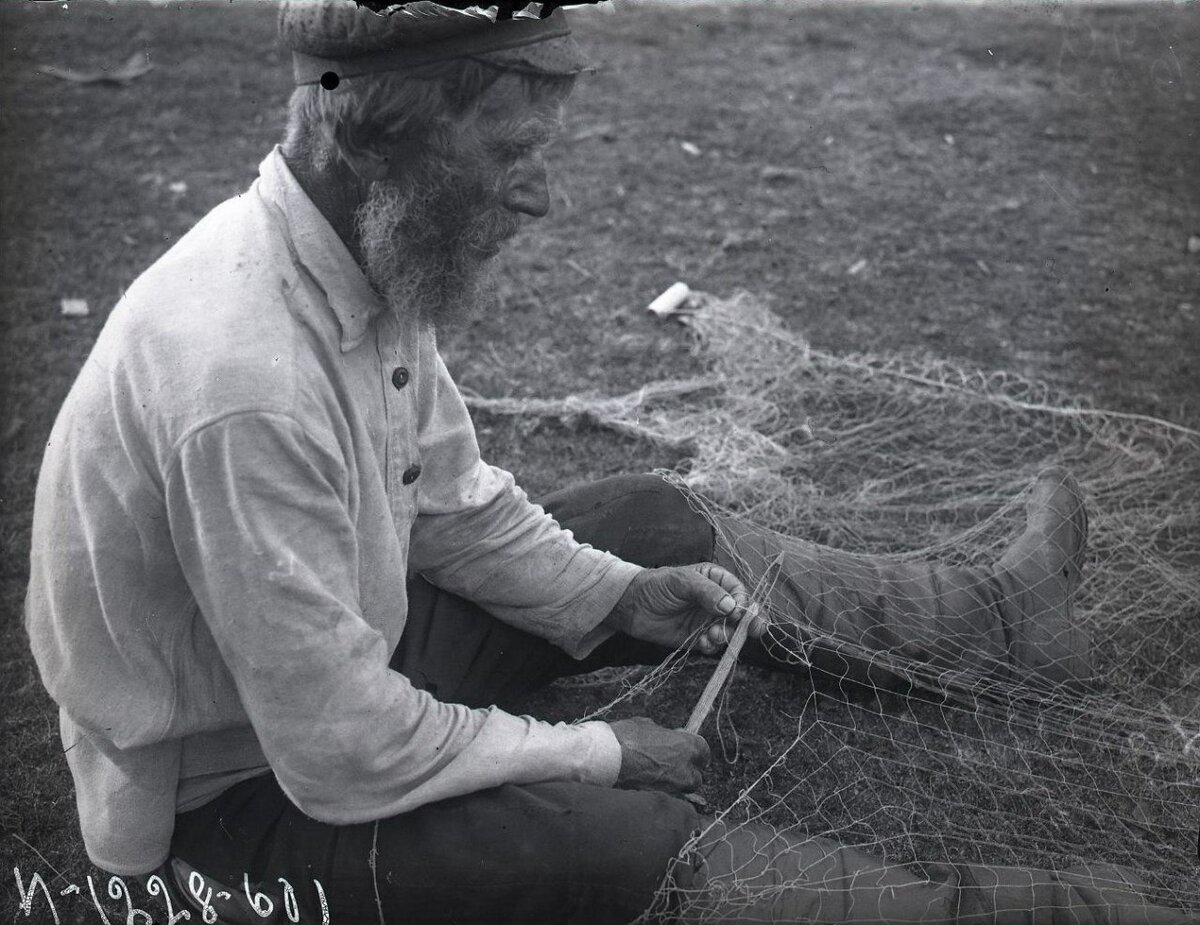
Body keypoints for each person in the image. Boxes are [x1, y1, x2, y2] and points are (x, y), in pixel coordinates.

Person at [23, 2, 1185, 922]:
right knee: (609, 842)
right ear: (384, 142)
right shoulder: (245, 386)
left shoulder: (348, 250)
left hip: (322, 678)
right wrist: (600, 752)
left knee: (646, 519)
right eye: (510, 149)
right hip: (239, 797)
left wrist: (620, 594)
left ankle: (990, 616)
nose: (543, 191)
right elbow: (339, 750)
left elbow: (458, 508)